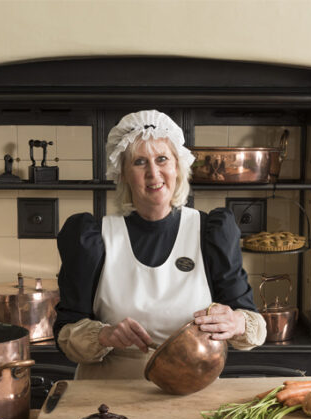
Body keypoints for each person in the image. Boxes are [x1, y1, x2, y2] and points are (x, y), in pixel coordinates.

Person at [54, 110, 266, 379]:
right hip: (108, 397)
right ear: (123, 174)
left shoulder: (211, 232)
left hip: (191, 389)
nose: (153, 173)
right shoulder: (92, 238)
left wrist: (235, 322)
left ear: (177, 167)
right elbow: (66, 337)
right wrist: (106, 335)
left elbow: (255, 328)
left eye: (162, 159)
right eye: (140, 162)